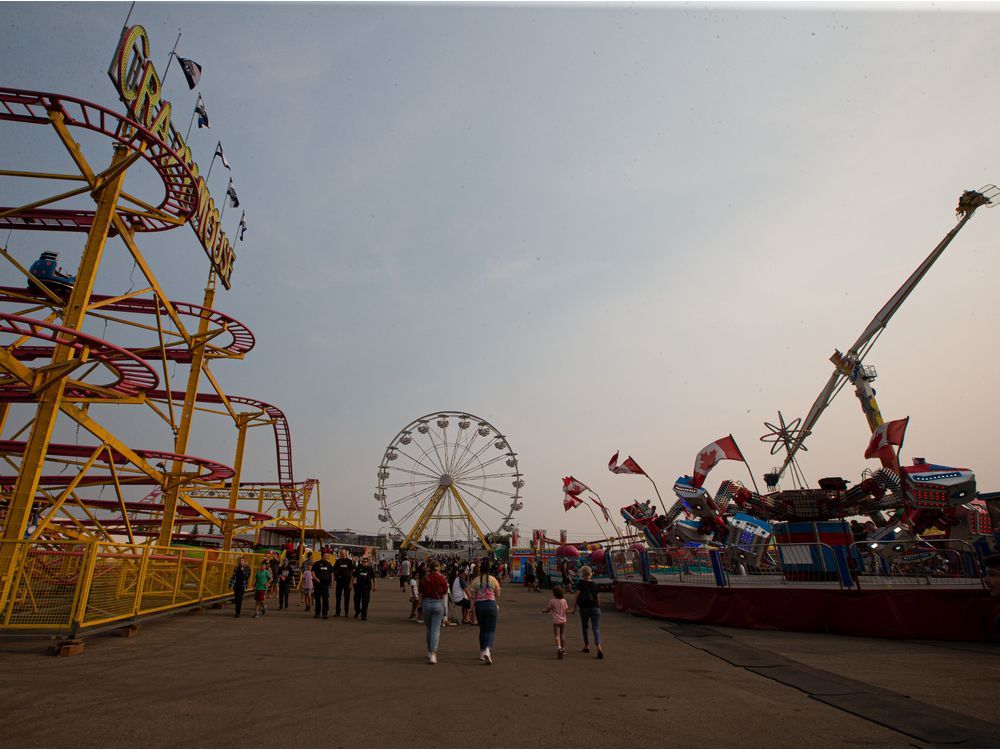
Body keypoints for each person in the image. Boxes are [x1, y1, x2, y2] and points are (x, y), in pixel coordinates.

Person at [468, 562, 501, 664]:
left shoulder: (475, 580)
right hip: (491, 605)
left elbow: (472, 597)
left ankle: (482, 652)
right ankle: (487, 649)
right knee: (490, 630)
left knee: (482, 629)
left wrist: (471, 610)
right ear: (489, 569)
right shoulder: (493, 579)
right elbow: (498, 594)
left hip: (479, 606)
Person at [419, 560, 450, 664]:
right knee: (436, 629)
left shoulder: (425, 579)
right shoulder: (441, 578)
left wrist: (419, 606)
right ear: (438, 568)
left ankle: (429, 651)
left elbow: (421, 593)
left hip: (426, 603)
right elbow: (445, 591)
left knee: (429, 628)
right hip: (438, 603)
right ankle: (433, 653)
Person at [570, 565, 603, 658]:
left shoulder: (581, 583)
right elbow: (597, 598)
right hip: (595, 609)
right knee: (596, 628)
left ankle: (586, 646)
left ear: (582, 574)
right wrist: (598, 607)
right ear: (591, 574)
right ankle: (599, 648)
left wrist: (574, 608)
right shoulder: (595, 584)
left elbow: (576, 595)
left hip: (584, 608)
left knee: (585, 627)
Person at [542, 585, 569, 658]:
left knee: (557, 635)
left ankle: (559, 648)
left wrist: (543, 611)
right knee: (562, 634)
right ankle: (563, 649)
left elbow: (548, 610)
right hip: (563, 621)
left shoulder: (552, 601)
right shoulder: (564, 601)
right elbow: (566, 611)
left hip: (556, 621)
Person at [312, 550, 335, 619]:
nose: (327, 557)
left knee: (325, 599)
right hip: (318, 584)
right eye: (325, 556)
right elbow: (313, 572)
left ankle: (325, 613)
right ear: (322, 556)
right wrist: (315, 578)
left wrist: (332, 582)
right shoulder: (317, 563)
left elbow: (332, 574)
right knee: (317, 599)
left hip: (325, 585)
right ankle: (317, 613)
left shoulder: (329, 564)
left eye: (327, 556)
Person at [333, 548, 355, 617]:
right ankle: (337, 612)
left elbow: (354, 571)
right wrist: (335, 579)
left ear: (346, 554)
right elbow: (334, 570)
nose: (342, 554)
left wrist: (351, 583)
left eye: (343, 553)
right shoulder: (338, 561)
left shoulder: (349, 561)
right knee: (338, 597)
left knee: (347, 597)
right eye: (341, 553)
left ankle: (346, 612)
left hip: (347, 582)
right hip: (339, 582)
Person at [353, 556, 376, 620]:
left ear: (368, 563)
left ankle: (364, 615)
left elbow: (374, 578)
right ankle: (357, 611)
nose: (364, 563)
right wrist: (350, 584)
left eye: (365, 562)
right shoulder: (358, 568)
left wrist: (374, 586)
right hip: (358, 587)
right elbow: (353, 576)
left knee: (365, 602)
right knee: (356, 601)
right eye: (363, 562)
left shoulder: (370, 569)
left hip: (366, 588)